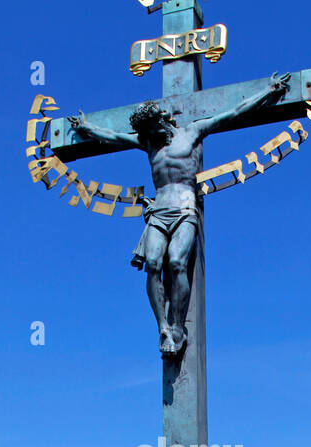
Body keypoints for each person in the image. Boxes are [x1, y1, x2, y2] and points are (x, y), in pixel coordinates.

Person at [69, 74, 290, 356]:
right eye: (146, 131)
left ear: (163, 120)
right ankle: (163, 327)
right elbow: (112, 137)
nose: (151, 135)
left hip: (185, 207)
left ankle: (178, 325)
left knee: (176, 262)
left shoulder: (192, 132)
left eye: (153, 128)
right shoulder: (149, 142)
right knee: (151, 264)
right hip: (159, 211)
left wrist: (267, 92)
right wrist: (87, 127)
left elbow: (234, 113)